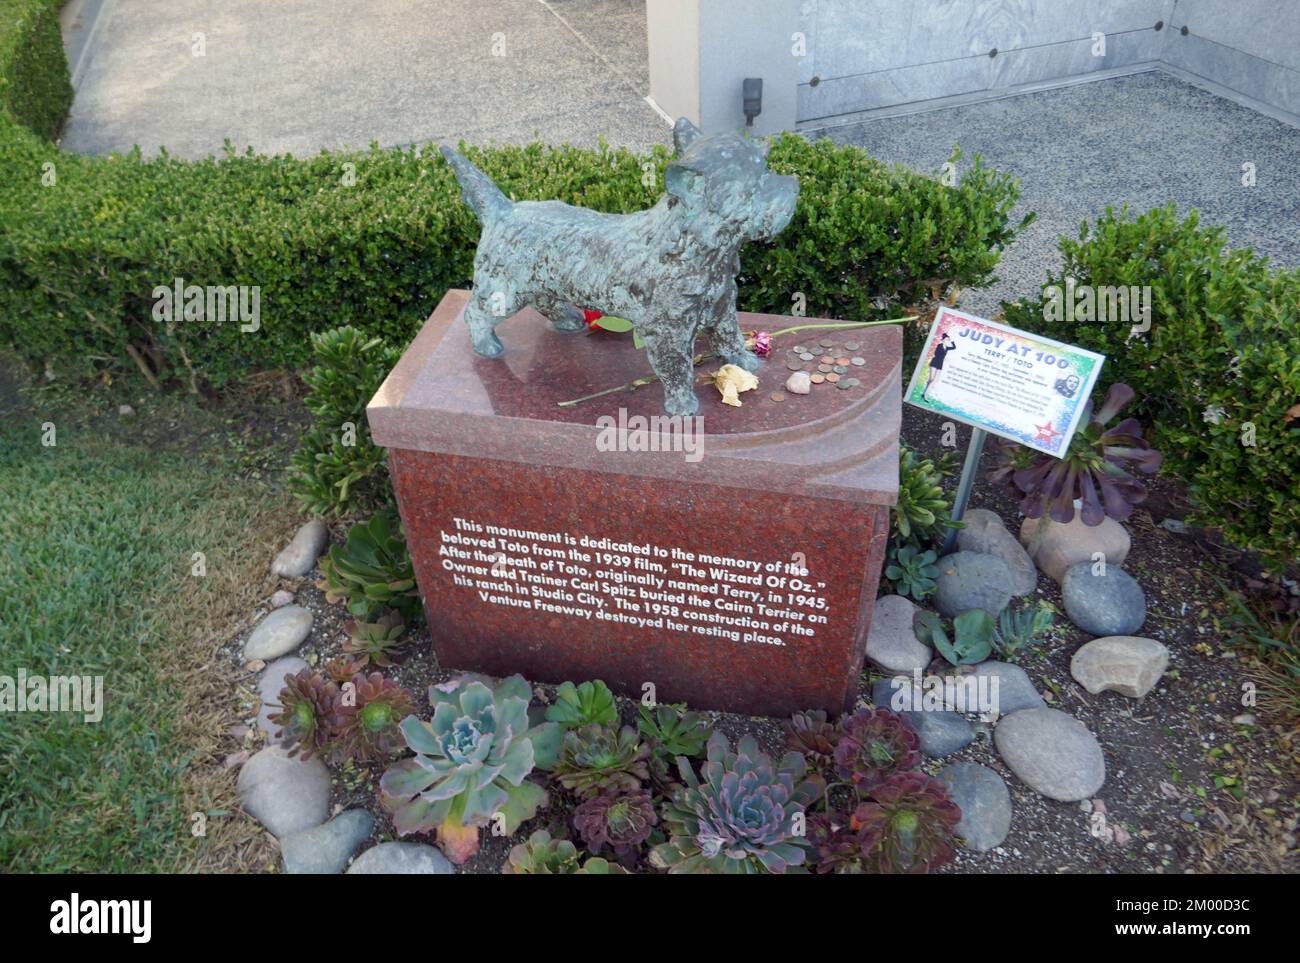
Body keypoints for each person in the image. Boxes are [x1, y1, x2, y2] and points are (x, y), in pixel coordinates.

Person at [922, 332, 956, 400]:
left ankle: (925, 393)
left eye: (947, 339)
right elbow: (936, 353)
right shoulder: (939, 345)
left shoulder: (947, 348)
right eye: (946, 339)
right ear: (943, 339)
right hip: (935, 362)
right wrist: (944, 358)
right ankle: (925, 394)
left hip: (940, 364)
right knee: (931, 379)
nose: (947, 340)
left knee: (935, 380)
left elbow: (954, 347)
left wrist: (951, 340)